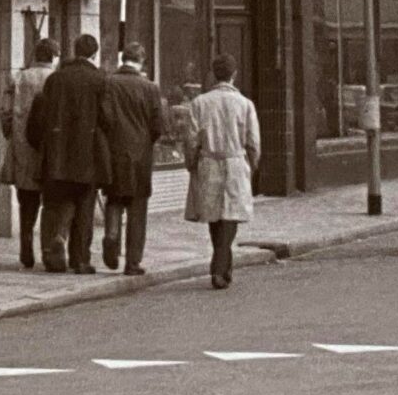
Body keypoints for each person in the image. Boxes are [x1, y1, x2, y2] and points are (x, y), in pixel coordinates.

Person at [26, 32, 114, 274]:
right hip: (87, 155)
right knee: (85, 209)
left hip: (57, 154)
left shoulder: (55, 80)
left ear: (74, 51)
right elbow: (107, 119)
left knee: (57, 204)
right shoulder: (99, 80)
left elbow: (42, 118)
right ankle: (80, 259)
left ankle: (56, 245)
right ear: (94, 54)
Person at [183, 54, 258, 289]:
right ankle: (221, 267)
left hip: (209, 162)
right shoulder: (245, 104)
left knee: (214, 216)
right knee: (231, 216)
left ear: (214, 75)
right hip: (235, 161)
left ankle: (221, 265)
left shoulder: (199, 103)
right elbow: (253, 141)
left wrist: (192, 163)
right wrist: (252, 165)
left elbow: (191, 140)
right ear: (234, 75)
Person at [101, 42, 167, 275]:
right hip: (140, 157)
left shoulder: (109, 83)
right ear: (142, 61)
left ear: (123, 59)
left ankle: (111, 235)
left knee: (115, 199)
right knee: (138, 209)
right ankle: (132, 262)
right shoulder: (150, 88)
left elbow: (104, 118)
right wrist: (146, 140)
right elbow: (158, 125)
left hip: (115, 153)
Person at [1, 38, 58, 269]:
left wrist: (11, 135)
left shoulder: (19, 78)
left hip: (22, 148)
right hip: (49, 151)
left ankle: (26, 246)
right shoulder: (55, 79)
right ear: (54, 56)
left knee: (27, 203)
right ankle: (46, 248)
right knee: (50, 203)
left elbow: (5, 112)